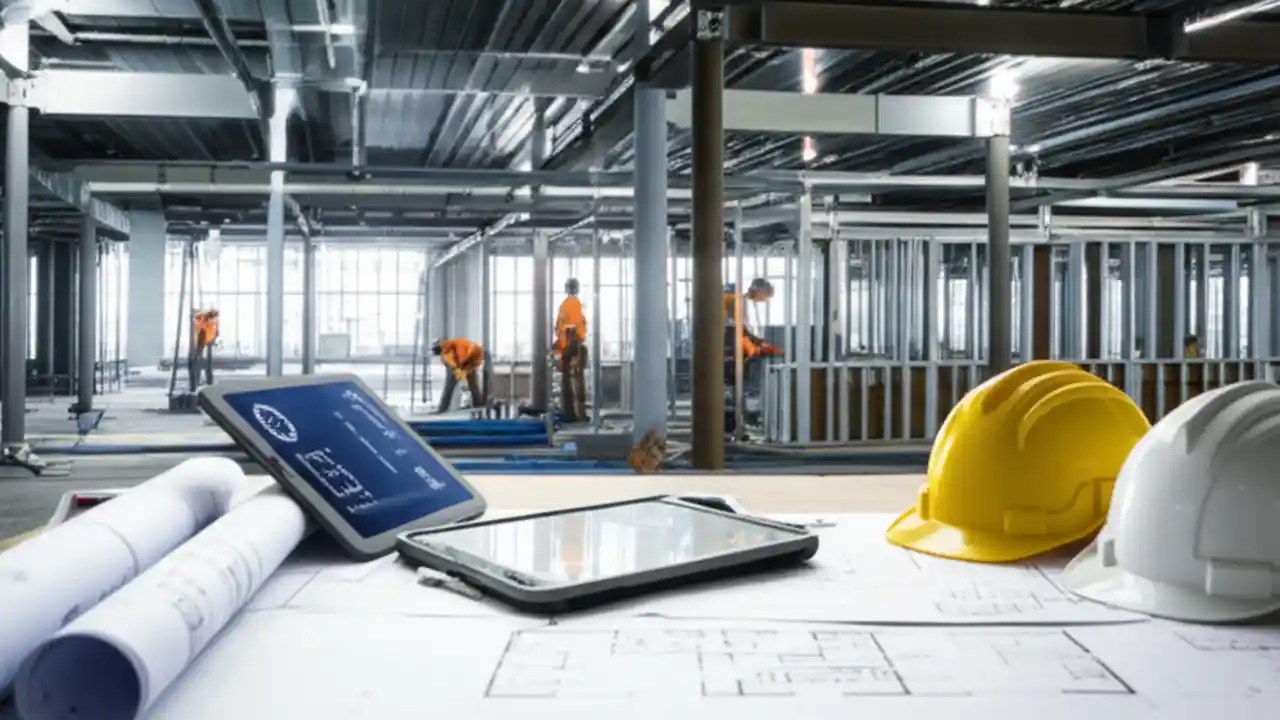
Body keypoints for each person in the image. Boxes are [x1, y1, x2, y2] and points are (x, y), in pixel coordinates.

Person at [554, 278, 588, 422]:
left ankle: (572, 414)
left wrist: (565, 349)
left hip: (570, 349)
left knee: (570, 384)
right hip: (571, 348)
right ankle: (575, 414)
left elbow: (564, 329)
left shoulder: (566, 305)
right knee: (573, 383)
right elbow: (570, 329)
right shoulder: (572, 304)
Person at [431, 337, 485, 413]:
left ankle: (478, 405)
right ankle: (478, 404)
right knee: (452, 387)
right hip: (462, 364)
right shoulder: (446, 353)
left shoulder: (459, 346)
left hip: (468, 362)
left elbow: (463, 363)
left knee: (469, 385)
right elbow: (448, 363)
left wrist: (461, 374)